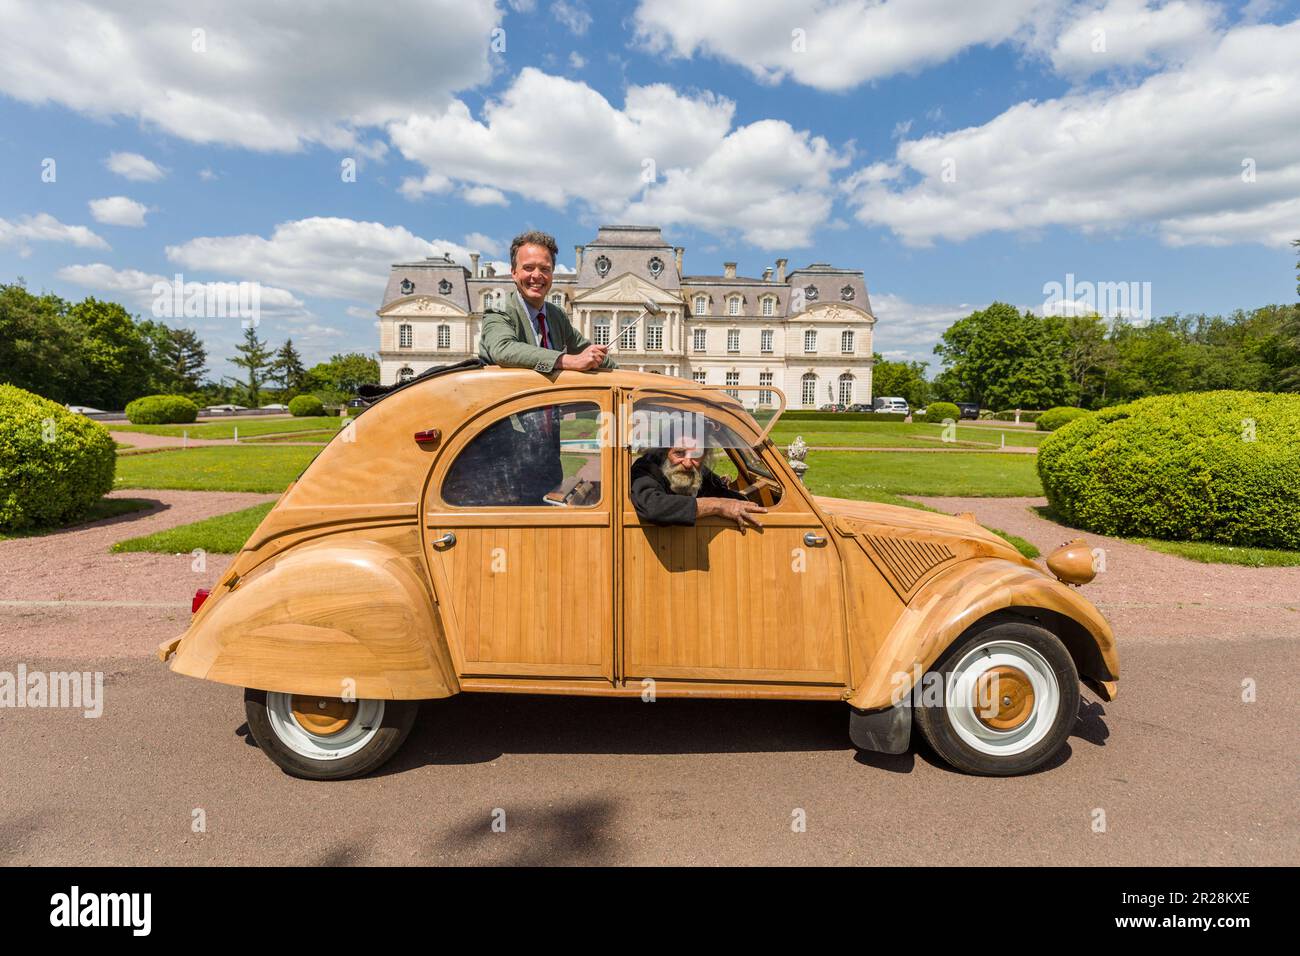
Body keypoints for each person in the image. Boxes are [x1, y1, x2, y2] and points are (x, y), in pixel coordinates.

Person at [478, 230, 616, 372]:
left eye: (544, 269)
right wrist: (568, 360)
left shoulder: (557, 315)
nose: (537, 275)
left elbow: (588, 352)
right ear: (514, 273)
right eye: (528, 268)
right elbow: (503, 350)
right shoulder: (499, 309)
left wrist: (622, 373)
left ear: (552, 273)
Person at [630, 436, 766, 531]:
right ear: (664, 452)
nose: (688, 463)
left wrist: (742, 504)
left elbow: (722, 494)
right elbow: (653, 507)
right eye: (679, 453)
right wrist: (717, 505)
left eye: (696, 454)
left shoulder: (699, 472)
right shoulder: (646, 469)